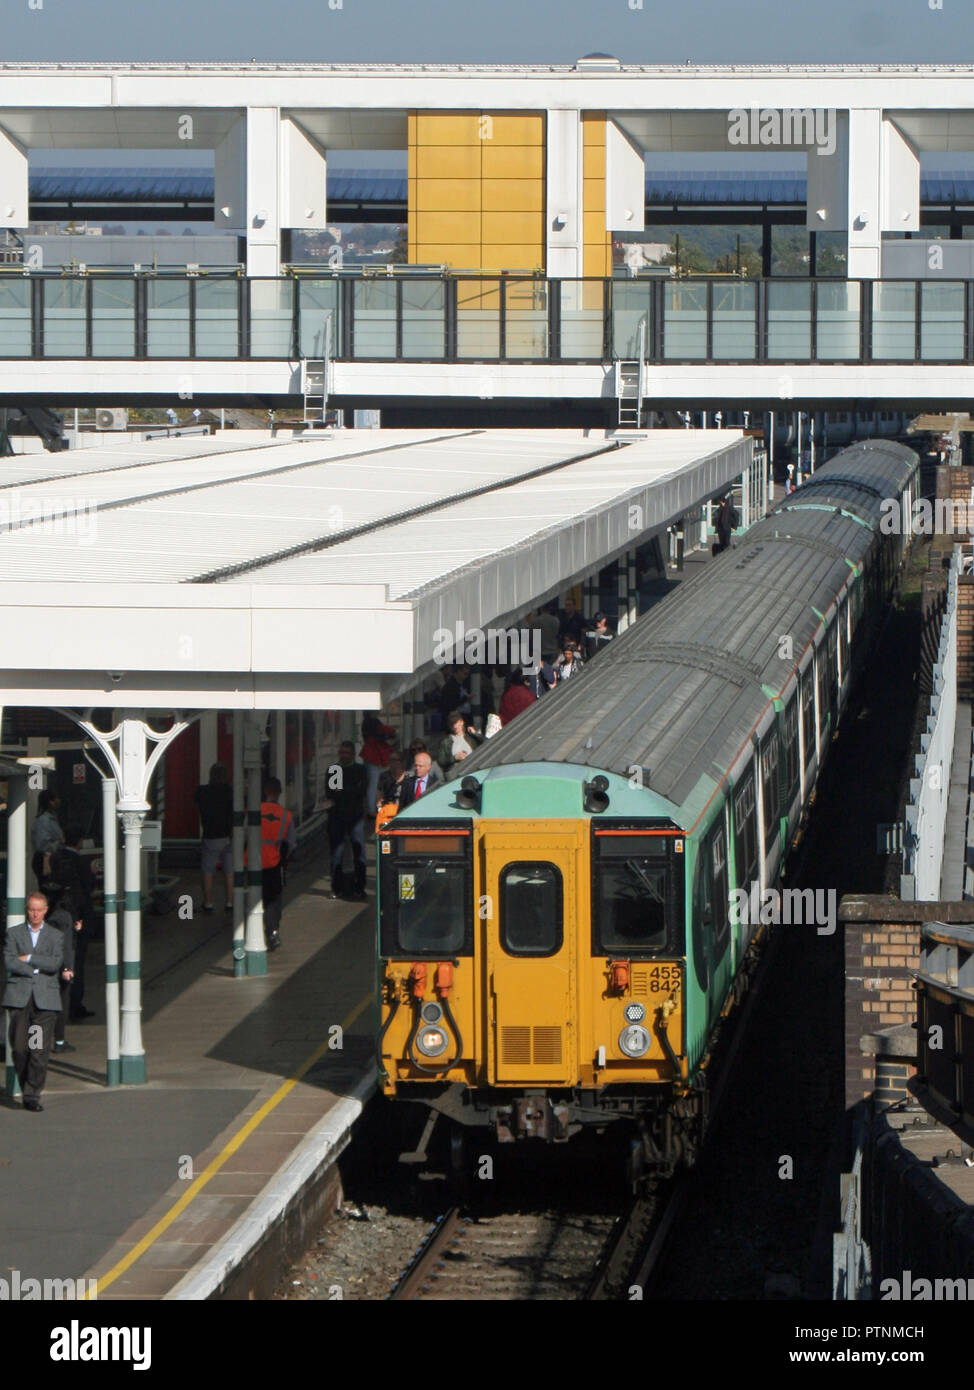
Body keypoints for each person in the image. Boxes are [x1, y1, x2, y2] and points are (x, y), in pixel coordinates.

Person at [3, 892, 64, 1111]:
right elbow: (9, 961)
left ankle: (31, 1095)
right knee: (20, 1049)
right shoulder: (14, 933)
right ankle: (26, 1081)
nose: (35, 913)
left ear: (46, 910)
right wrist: (37, 968)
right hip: (20, 999)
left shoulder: (55, 936)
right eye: (31, 909)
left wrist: (28, 958)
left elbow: (55, 963)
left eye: (39, 909)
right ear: (27, 910)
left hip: (44, 1003)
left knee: (36, 1048)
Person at [47, 826, 96, 1022]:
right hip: (79, 917)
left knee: (58, 960)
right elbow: (89, 887)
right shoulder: (81, 862)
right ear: (80, 841)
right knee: (77, 961)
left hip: (57, 915)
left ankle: (56, 1003)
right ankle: (75, 1005)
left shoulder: (55, 858)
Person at [326, 742, 367, 900]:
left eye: (347, 752)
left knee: (359, 850)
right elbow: (332, 793)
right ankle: (337, 887)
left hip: (355, 816)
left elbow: (360, 791)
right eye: (342, 752)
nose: (344, 755)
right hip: (337, 816)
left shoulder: (359, 769)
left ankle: (359, 887)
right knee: (337, 852)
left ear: (352, 754)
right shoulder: (334, 770)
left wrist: (343, 791)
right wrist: (349, 790)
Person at [260, 777, 296, 950]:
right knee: (274, 899)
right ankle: (272, 931)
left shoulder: (254, 811)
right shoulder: (286, 816)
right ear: (280, 793)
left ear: (265, 791)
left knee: (255, 896)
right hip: (274, 863)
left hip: (252, 863)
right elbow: (291, 844)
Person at [194, 762, 233, 913]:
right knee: (229, 871)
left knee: (208, 871)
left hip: (210, 836)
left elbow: (197, 802)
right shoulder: (229, 791)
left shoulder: (202, 791)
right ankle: (230, 902)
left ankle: (208, 902)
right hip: (227, 836)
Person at [360, 715, 396, 824]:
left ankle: (372, 809)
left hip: (370, 754)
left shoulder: (366, 724)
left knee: (372, 783)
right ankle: (372, 809)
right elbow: (390, 732)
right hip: (375, 755)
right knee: (374, 783)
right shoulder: (375, 723)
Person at [31, 789, 63, 894]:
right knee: (48, 889)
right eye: (56, 798)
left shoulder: (53, 818)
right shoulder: (44, 820)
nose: (59, 801)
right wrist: (60, 842)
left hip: (52, 859)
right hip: (45, 860)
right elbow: (42, 844)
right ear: (51, 802)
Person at [375, 751, 406, 833]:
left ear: (401, 762)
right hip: (388, 810)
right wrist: (379, 807)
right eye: (391, 760)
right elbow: (379, 792)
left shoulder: (409, 776)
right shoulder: (384, 776)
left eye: (396, 760)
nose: (393, 763)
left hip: (404, 810)